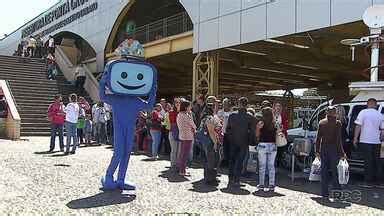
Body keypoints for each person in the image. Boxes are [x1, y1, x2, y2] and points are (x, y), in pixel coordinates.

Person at [316, 106, 346, 199]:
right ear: (335, 113)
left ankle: (324, 193)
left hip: (323, 148)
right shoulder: (337, 123)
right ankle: (337, 192)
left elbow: (318, 138)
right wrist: (342, 153)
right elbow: (338, 140)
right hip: (333, 149)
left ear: (326, 112)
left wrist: (317, 150)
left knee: (324, 171)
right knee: (334, 171)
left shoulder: (321, 122)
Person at [353, 98, 384, 188]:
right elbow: (382, 130)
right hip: (377, 142)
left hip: (365, 141)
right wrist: (381, 139)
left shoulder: (363, 112)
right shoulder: (380, 115)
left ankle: (368, 182)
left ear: (368, 104)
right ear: (375, 104)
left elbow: (358, 126)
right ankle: (380, 182)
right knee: (377, 162)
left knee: (368, 161)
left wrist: (355, 138)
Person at [226, 97, 255, 188]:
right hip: (244, 142)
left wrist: (230, 139)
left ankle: (231, 179)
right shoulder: (250, 117)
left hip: (233, 141)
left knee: (232, 161)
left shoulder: (232, 116)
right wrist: (251, 142)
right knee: (240, 162)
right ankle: (237, 180)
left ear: (239, 104)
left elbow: (228, 129)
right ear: (246, 105)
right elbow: (252, 131)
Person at [200, 97, 222, 186]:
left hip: (207, 140)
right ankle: (210, 179)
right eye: (214, 105)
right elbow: (211, 131)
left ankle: (210, 177)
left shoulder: (208, 115)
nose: (216, 106)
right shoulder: (209, 117)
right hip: (210, 141)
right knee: (212, 160)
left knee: (210, 160)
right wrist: (215, 143)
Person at [255, 107, 277, 192]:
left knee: (262, 166)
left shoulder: (261, 123)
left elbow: (257, 135)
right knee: (271, 166)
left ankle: (261, 184)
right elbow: (278, 133)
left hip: (262, 145)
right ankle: (271, 184)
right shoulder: (274, 123)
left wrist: (257, 128)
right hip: (273, 145)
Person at [177, 100, 196, 176]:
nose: (191, 107)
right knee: (184, 154)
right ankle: (182, 171)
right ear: (186, 107)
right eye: (189, 106)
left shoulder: (179, 114)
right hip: (187, 136)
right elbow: (193, 125)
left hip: (182, 135)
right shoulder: (186, 115)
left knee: (182, 153)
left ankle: (181, 169)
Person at [166, 98, 181, 171]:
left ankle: (178, 165)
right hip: (173, 132)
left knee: (179, 151)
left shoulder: (183, 112)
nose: (178, 104)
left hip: (181, 133)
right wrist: (178, 111)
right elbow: (173, 121)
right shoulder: (171, 112)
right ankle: (173, 165)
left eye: (179, 102)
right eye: (176, 102)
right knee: (174, 150)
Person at [273, 102, 289, 167]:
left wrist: (282, 129)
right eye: (276, 106)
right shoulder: (272, 115)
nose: (278, 107)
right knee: (273, 151)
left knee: (280, 151)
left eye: (279, 106)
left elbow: (286, 126)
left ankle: (278, 163)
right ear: (274, 107)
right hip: (273, 136)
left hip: (281, 136)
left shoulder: (283, 116)